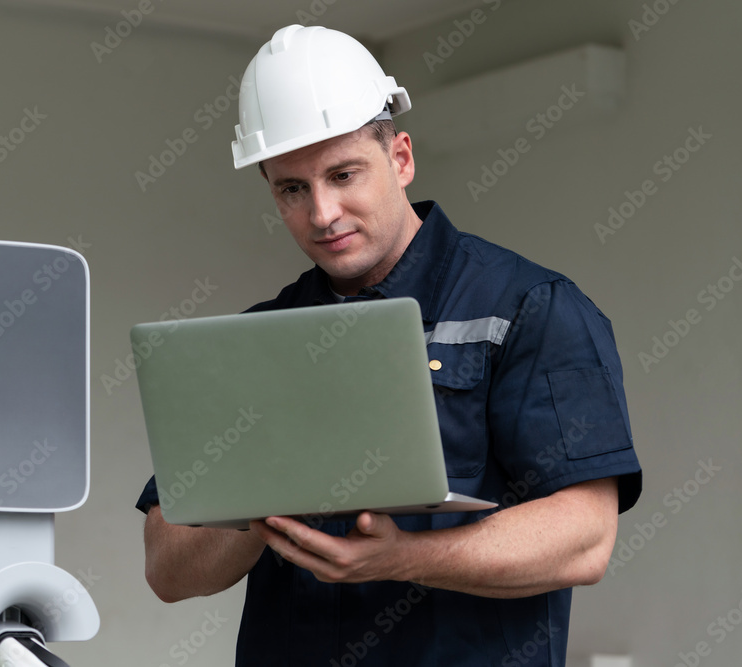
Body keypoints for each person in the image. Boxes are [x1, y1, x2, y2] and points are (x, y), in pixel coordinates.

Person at [136, 24, 642, 666]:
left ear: (400, 157)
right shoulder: (258, 343)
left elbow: (585, 538)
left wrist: (406, 558)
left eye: (344, 174)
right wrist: (263, 491)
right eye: (292, 188)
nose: (322, 213)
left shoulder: (526, 309)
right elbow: (167, 570)